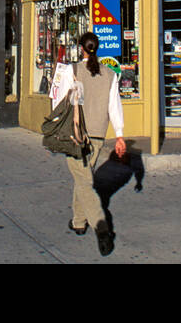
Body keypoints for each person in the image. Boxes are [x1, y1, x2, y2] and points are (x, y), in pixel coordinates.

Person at [48, 31, 125, 256]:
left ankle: (101, 227)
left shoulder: (71, 71)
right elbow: (114, 106)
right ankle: (78, 221)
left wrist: (54, 126)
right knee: (83, 176)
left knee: (83, 180)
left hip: (76, 135)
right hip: (98, 134)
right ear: (96, 48)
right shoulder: (110, 74)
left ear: (80, 48)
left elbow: (58, 100)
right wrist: (119, 134)